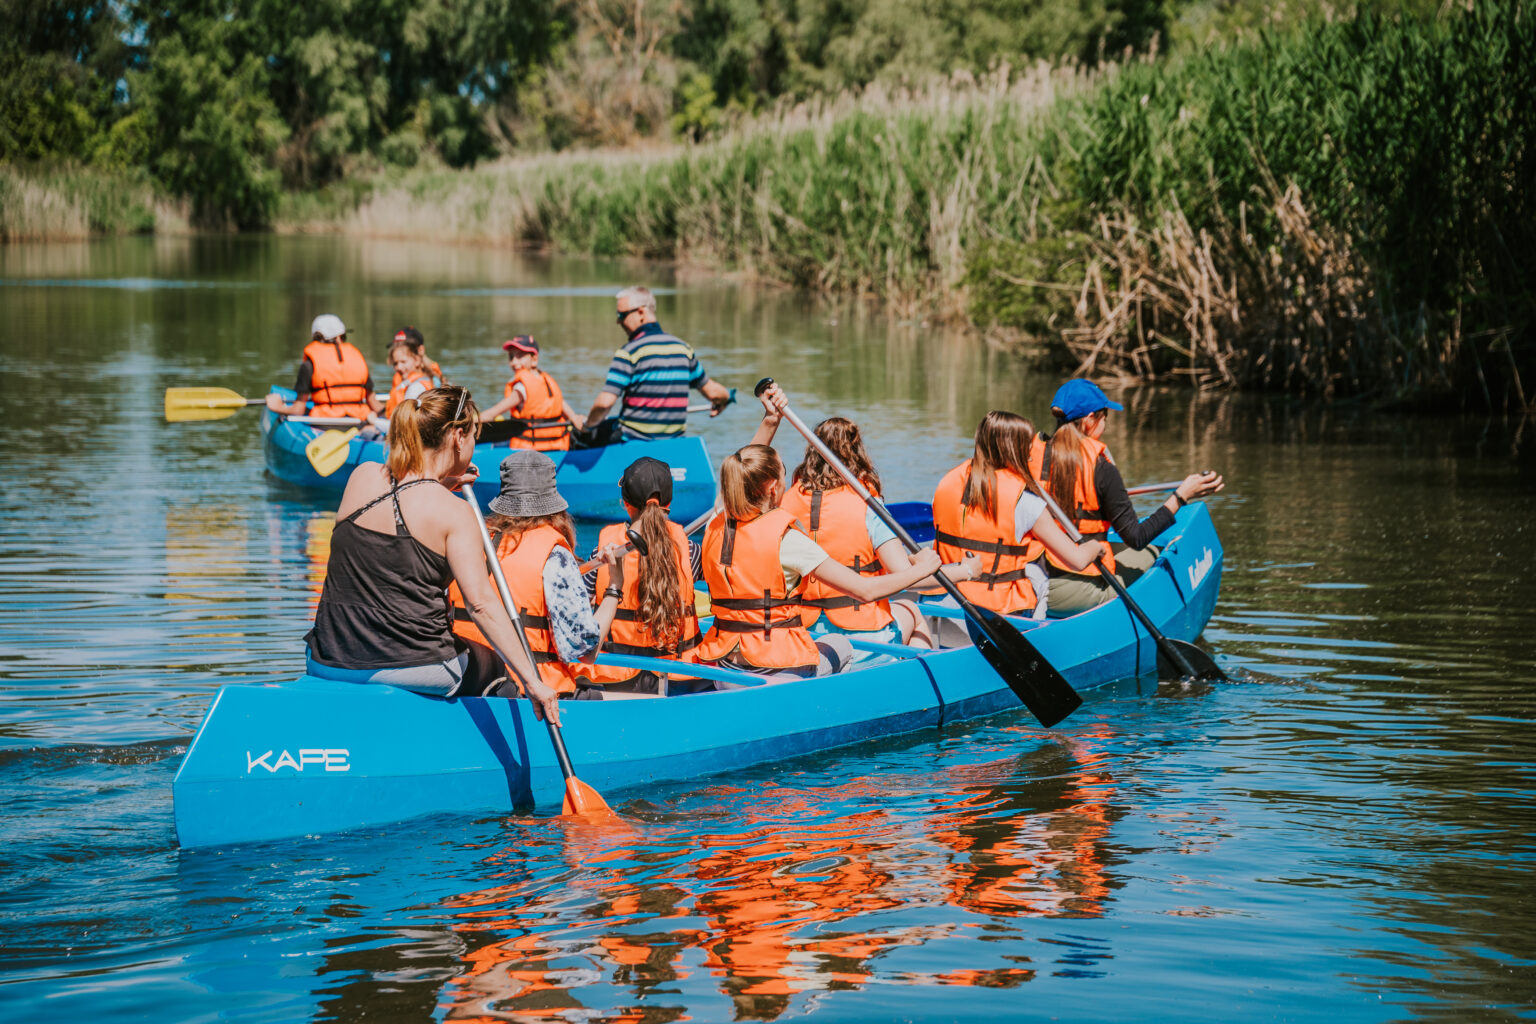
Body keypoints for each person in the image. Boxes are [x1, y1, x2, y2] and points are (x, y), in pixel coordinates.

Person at [302, 385, 560, 721]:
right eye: (474, 435)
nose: (474, 444)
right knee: (494, 666)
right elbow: (481, 605)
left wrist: (441, 484)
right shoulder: (455, 513)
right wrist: (533, 681)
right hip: (410, 665)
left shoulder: (361, 476)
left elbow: (400, 512)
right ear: (457, 437)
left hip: (324, 658)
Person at [695, 443, 961, 680]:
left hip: (725, 665)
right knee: (838, 643)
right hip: (779, 670)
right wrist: (923, 569)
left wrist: (770, 421)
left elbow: (742, 467)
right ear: (773, 487)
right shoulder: (787, 540)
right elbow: (864, 590)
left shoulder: (715, 526)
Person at [751, 383, 968, 649]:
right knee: (911, 610)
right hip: (862, 634)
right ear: (858, 454)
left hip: (801, 630)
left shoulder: (783, 501)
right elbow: (911, 578)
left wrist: (770, 422)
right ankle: (907, 671)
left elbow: (746, 475)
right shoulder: (868, 506)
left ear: (811, 454)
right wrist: (967, 570)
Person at [448, 450, 628, 700]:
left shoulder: (469, 540)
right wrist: (614, 588)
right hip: (531, 692)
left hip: (471, 683)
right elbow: (585, 651)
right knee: (613, 695)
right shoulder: (555, 554)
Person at [1042, 378, 1224, 615]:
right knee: (1157, 551)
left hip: (1036, 579)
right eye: (1105, 418)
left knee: (1116, 547)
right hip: (1078, 591)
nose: (1105, 425)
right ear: (1090, 420)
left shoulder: (1032, 459)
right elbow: (1137, 538)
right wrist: (1181, 496)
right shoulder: (1101, 469)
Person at [931, 410, 1109, 621]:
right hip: (993, 613)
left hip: (941, 602)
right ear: (1014, 450)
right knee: (1037, 576)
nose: (1031, 456)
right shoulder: (1026, 502)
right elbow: (1077, 560)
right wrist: (1096, 547)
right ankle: (1039, 630)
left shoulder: (947, 484)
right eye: (1027, 448)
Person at [581, 457, 707, 696]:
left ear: (626, 504)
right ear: (668, 503)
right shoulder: (690, 551)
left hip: (617, 678)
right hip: (680, 678)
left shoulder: (602, 555)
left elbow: (578, 616)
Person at [581, 286, 732, 443]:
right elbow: (714, 393)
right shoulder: (683, 349)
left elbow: (604, 404)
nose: (618, 321)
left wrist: (586, 426)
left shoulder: (629, 352)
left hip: (633, 441)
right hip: (673, 441)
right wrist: (727, 398)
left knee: (580, 437)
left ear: (641, 313)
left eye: (621, 315)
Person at [266, 314, 384, 424]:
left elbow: (298, 410)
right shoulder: (357, 358)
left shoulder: (309, 365)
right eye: (344, 337)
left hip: (324, 423)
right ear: (339, 337)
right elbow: (373, 403)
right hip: (360, 421)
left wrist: (277, 407)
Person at [480, 336, 580, 451]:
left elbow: (492, 413)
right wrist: (575, 418)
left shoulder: (521, 388)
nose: (514, 362)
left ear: (534, 359)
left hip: (528, 449)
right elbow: (571, 415)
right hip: (557, 446)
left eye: (520, 356)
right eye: (511, 357)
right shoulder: (547, 381)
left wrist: (470, 421)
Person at [384, 329, 443, 419]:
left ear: (417, 358)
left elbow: (406, 423)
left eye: (403, 361)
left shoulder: (416, 387)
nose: (398, 367)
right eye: (395, 363)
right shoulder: (420, 378)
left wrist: (374, 421)